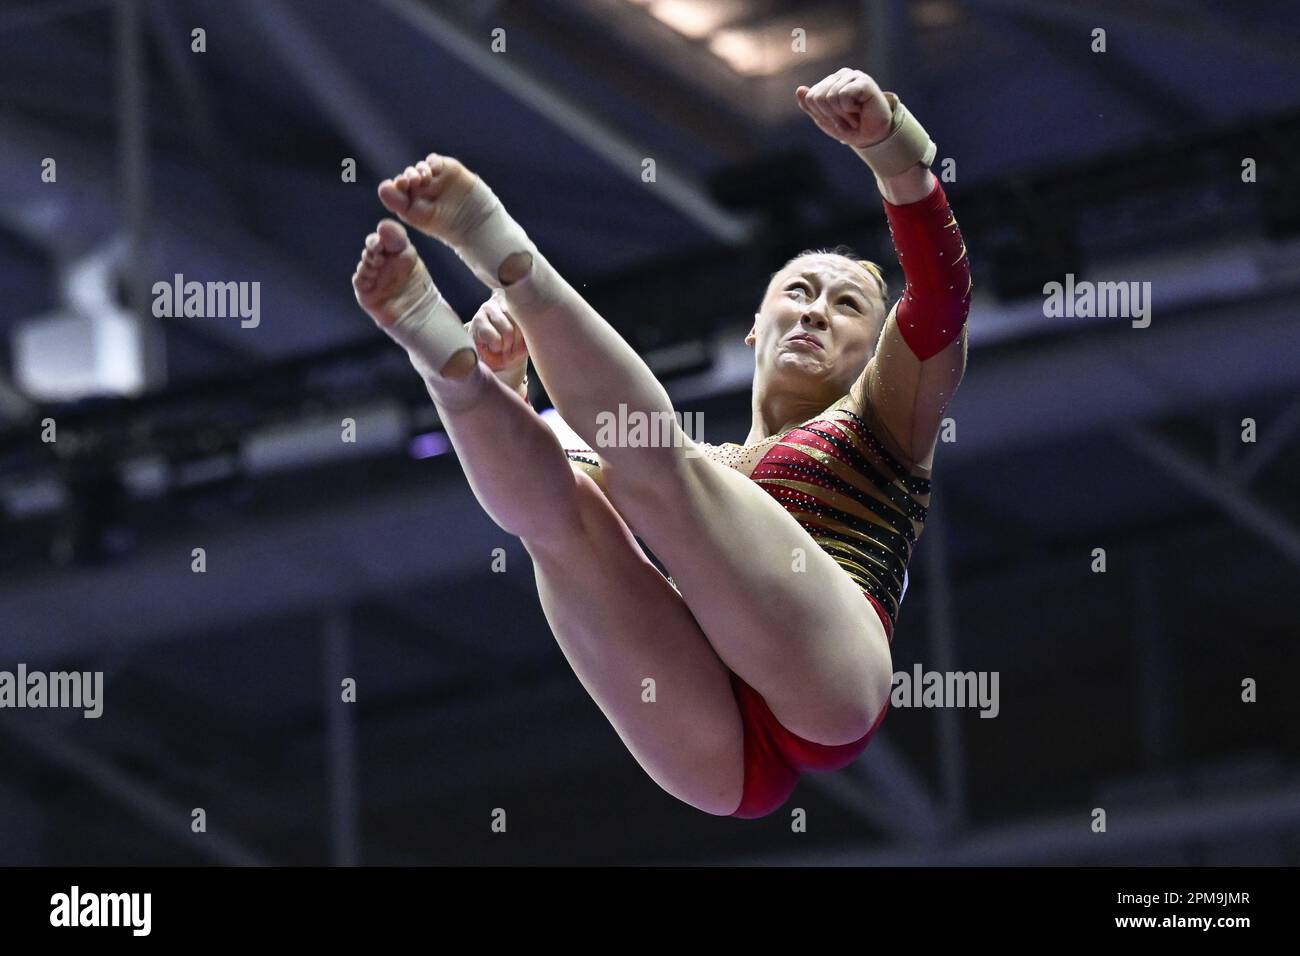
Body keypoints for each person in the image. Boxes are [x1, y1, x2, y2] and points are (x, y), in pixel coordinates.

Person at [350, 68, 971, 819]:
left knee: (656, 466)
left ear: (879, 349)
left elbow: (940, 299)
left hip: (828, 683)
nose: (815, 314)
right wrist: (505, 386)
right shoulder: (701, 465)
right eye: (798, 293)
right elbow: (537, 481)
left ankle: (507, 255)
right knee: (569, 513)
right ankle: (437, 357)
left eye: (846, 307)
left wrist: (891, 154)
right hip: (717, 758)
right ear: (754, 330)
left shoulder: (887, 422)